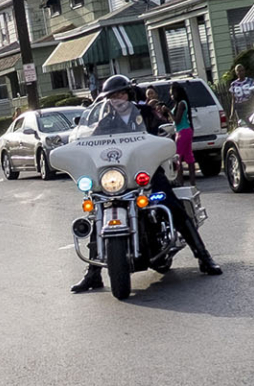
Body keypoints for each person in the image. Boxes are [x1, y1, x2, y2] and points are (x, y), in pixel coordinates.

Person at [71, 76, 221, 292]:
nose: (117, 99)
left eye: (120, 94)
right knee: (97, 214)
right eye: (112, 96)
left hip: (146, 175)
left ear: (129, 94)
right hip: (118, 180)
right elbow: (91, 146)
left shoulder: (146, 114)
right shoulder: (105, 123)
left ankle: (203, 257)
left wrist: (165, 136)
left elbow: (163, 133)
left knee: (170, 203)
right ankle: (93, 273)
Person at [169, 83, 196, 185]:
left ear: (177, 93)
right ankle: (193, 183)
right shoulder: (180, 104)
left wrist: (168, 111)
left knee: (178, 157)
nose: (171, 96)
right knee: (189, 156)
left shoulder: (181, 104)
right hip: (186, 131)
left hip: (182, 132)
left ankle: (180, 182)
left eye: (172, 94)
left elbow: (177, 120)